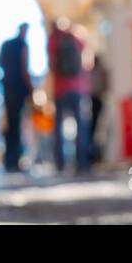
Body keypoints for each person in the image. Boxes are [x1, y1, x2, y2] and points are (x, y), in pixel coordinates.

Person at [47, 18, 91, 173]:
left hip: (60, 89)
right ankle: (82, 163)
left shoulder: (53, 39)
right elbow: (87, 63)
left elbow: (51, 65)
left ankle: (60, 163)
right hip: (78, 88)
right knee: (81, 126)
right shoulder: (78, 37)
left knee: (58, 128)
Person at [0, 23, 33, 171]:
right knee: (16, 126)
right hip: (18, 91)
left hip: (7, 90)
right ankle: (15, 159)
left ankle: (9, 159)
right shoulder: (22, 45)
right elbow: (25, 69)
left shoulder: (6, 45)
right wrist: (30, 89)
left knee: (10, 126)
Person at [88, 52, 109, 164]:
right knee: (96, 127)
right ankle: (93, 154)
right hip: (97, 99)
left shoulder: (92, 71)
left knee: (96, 127)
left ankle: (96, 154)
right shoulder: (101, 71)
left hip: (95, 99)